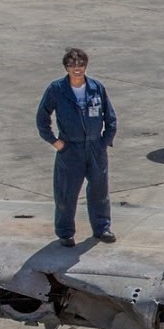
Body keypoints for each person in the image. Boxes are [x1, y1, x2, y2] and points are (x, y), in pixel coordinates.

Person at [34, 47, 117, 247]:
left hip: (95, 147)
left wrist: (105, 141)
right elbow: (42, 117)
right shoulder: (57, 89)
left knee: (99, 190)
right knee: (66, 192)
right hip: (70, 148)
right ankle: (65, 233)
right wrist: (55, 142)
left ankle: (102, 228)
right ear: (66, 68)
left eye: (80, 65)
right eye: (72, 66)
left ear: (86, 66)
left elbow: (110, 116)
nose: (77, 69)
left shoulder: (96, 88)